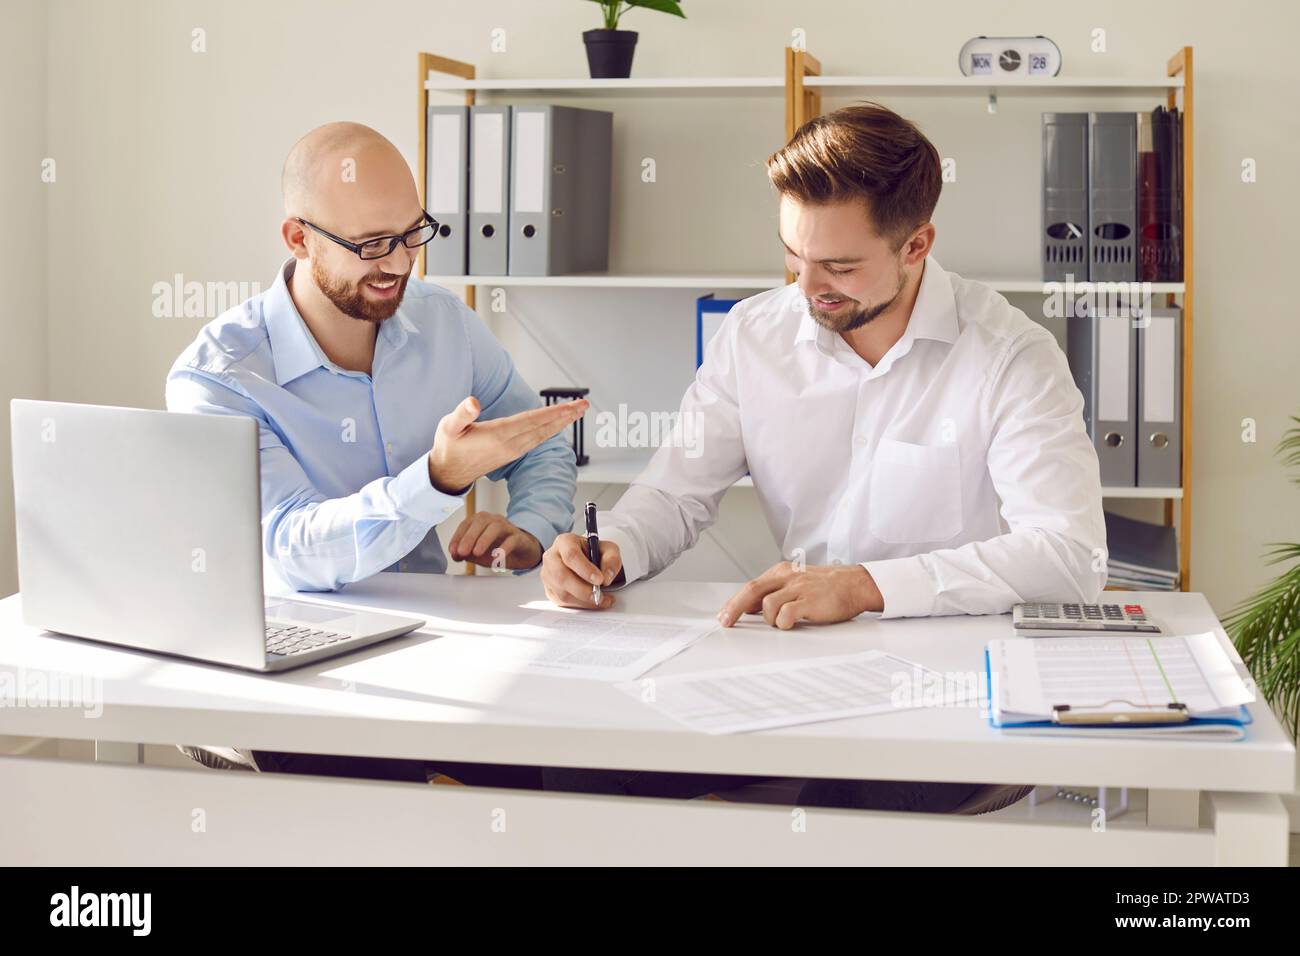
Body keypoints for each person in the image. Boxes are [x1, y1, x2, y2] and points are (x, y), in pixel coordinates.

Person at [538, 103, 1105, 810]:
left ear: (917, 244)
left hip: (948, 689)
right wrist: (613, 546)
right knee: (584, 759)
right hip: (790, 670)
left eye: (838, 266)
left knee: (848, 800)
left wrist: (866, 585)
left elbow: (1068, 556)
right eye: (792, 256)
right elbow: (675, 494)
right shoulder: (753, 335)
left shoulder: (1010, 356)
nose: (806, 289)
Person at [166, 122, 585, 786]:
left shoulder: (446, 325)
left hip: (429, 642)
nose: (396, 262)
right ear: (298, 238)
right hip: (290, 664)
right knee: (374, 791)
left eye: (412, 233)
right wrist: (439, 480)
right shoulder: (219, 378)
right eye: (368, 244)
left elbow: (540, 445)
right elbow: (291, 547)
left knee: (561, 763)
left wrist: (530, 531)